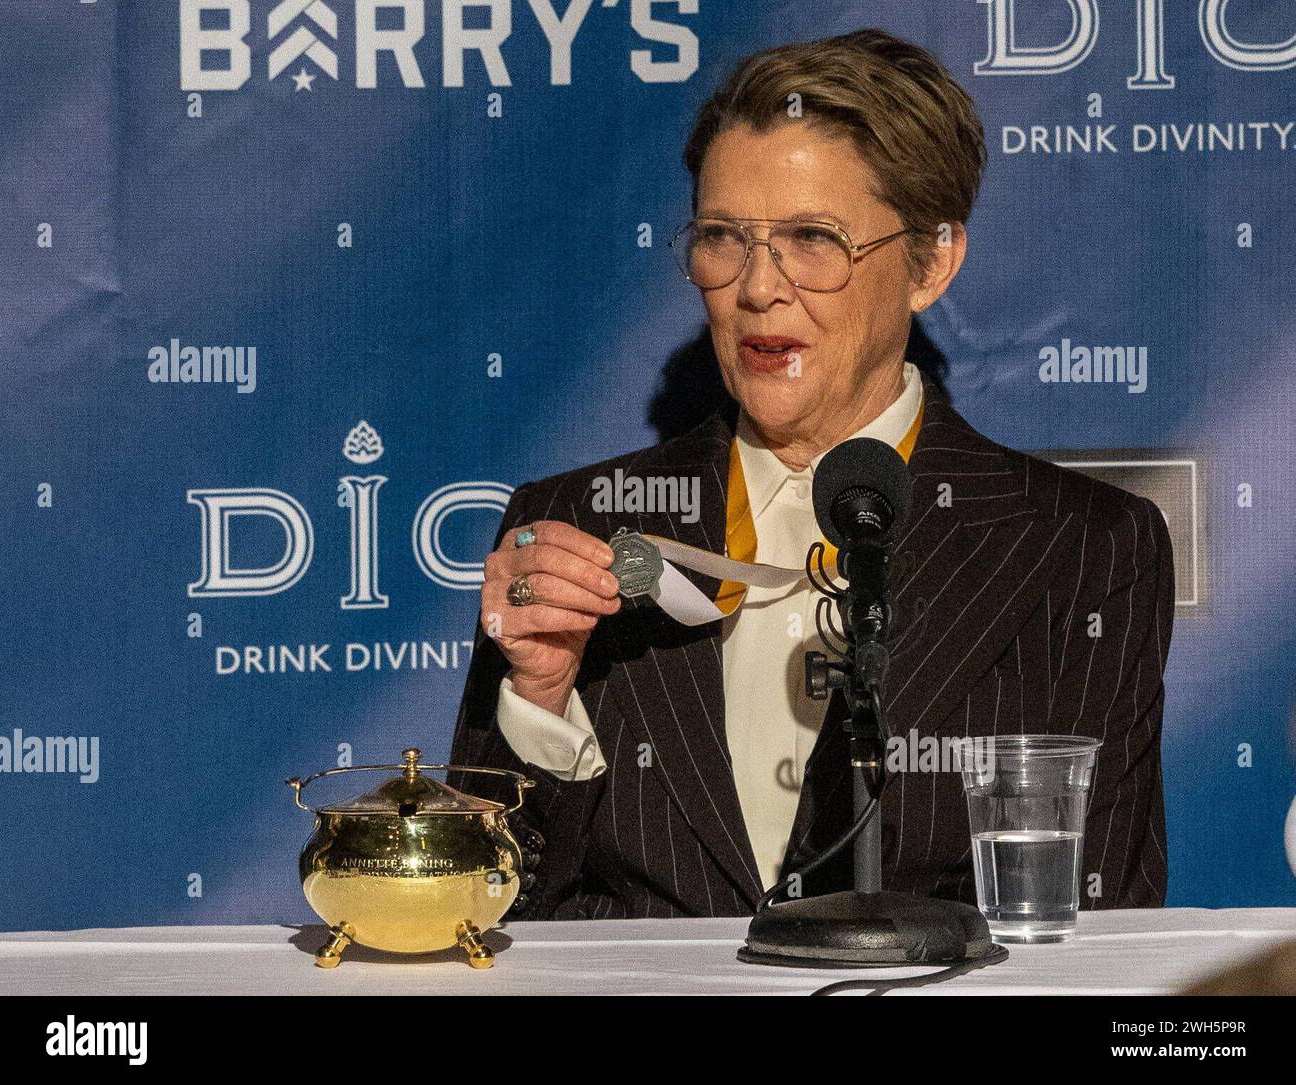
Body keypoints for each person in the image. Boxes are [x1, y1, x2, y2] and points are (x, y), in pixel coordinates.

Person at [450, 28, 1174, 920]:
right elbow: (477, 912)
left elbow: (1104, 938)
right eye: (724, 237)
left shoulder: (1084, 549)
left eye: (811, 238)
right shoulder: (573, 523)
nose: (758, 287)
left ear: (932, 260)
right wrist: (541, 699)